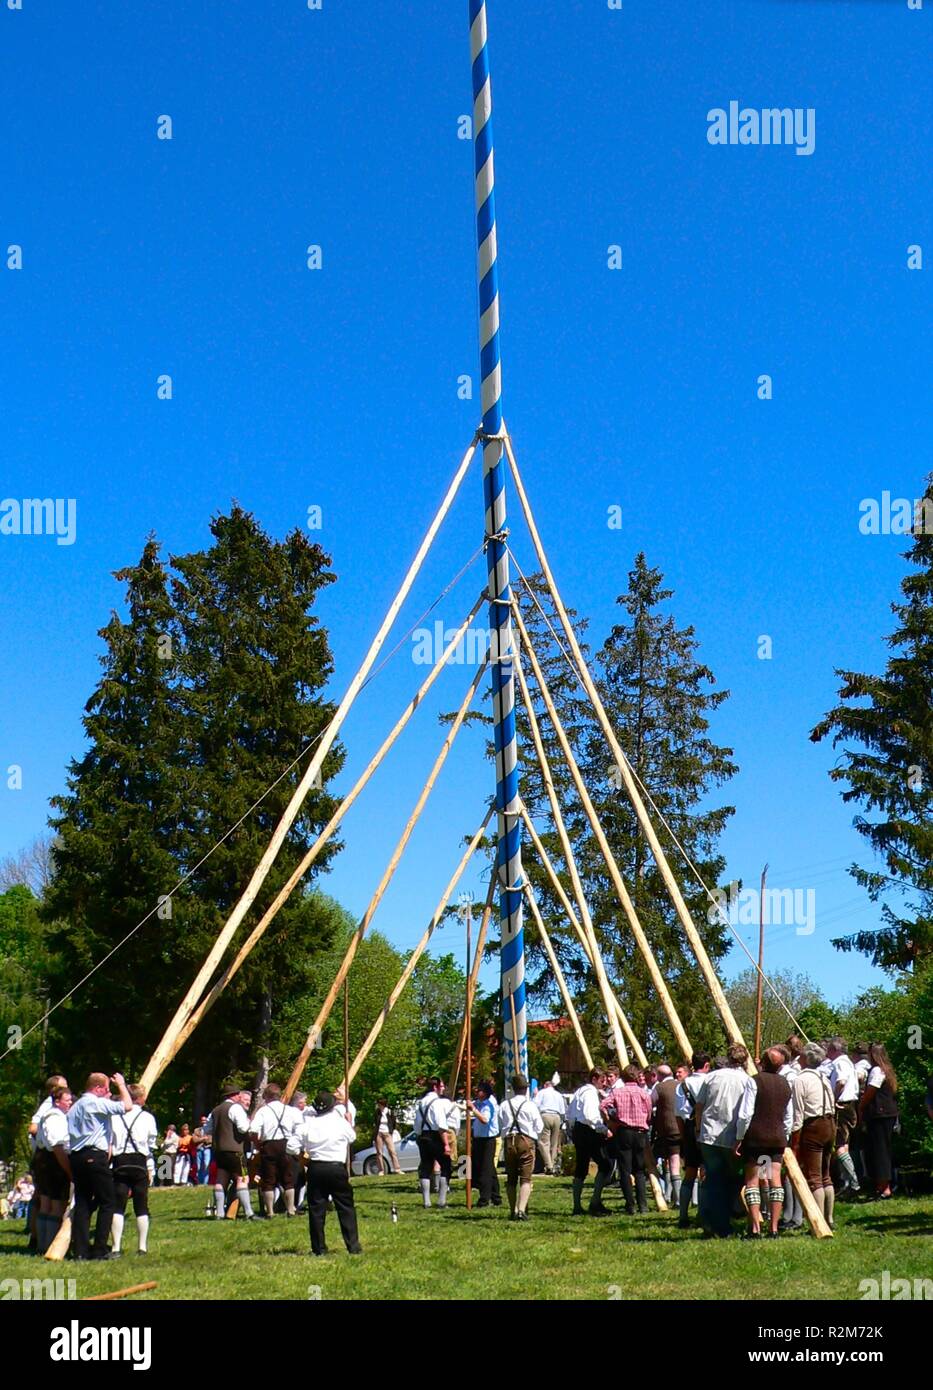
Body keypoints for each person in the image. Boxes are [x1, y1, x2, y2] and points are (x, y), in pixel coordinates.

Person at [67, 1070, 133, 1260]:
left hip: (77, 1157)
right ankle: (99, 1249)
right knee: (108, 1201)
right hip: (94, 1156)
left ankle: (80, 1251)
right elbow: (128, 1106)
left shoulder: (75, 1107)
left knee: (83, 1203)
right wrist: (121, 1084)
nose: (108, 1092)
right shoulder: (95, 1103)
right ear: (97, 1088)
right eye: (106, 1088)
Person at [694, 1043, 752, 1239]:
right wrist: (741, 1137)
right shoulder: (747, 1081)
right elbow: (746, 1114)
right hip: (731, 1136)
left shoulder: (712, 1077)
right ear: (745, 1060)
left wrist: (698, 1127)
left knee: (714, 1179)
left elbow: (699, 1105)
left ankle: (712, 1221)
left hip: (709, 1134)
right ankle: (725, 1222)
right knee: (733, 1179)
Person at [298, 1091, 362, 1257]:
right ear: (333, 1106)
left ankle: (318, 1248)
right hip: (336, 1167)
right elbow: (352, 1137)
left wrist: (305, 1150)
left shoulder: (307, 1125)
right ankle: (353, 1246)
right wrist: (349, 1122)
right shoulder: (340, 1123)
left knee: (316, 1209)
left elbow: (291, 1146)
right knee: (345, 1207)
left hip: (316, 1167)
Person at [737, 1049, 792, 1238]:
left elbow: (745, 1114)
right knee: (772, 1178)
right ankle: (774, 1227)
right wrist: (785, 1135)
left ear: (763, 1063)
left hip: (756, 1138)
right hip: (776, 1138)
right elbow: (789, 1116)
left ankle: (755, 1228)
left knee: (752, 1181)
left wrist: (739, 1138)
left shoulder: (755, 1081)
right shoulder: (786, 1083)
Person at [790, 1043, 837, 1228]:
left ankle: (818, 1222)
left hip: (814, 1126)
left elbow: (798, 1113)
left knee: (814, 1176)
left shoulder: (801, 1080)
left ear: (805, 1058)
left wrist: (795, 1140)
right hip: (830, 1123)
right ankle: (830, 1217)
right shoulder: (823, 1077)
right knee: (826, 1175)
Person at [110, 1083, 158, 1257]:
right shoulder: (147, 1118)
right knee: (141, 1205)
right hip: (139, 1162)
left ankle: (116, 1248)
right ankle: (142, 1247)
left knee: (118, 1206)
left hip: (120, 1161)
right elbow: (152, 1143)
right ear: (140, 1098)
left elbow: (111, 1140)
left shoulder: (115, 1117)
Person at [607, 1064, 654, 1215]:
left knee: (625, 1170)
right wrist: (644, 1121)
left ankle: (630, 1204)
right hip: (640, 1132)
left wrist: (610, 1121)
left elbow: (603, 1105)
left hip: (624, 1131)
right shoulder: (643, 1093)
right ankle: (643, 1205)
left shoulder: (618, 1092)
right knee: (640, 1169)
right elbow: (649, 1111)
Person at [497, 1075, 544, 1221]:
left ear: (513, 1089)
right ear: (526, 1089)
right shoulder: (530, 1105)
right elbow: (539, 1126)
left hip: (509, 1140)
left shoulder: (504, 1104)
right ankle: (521, 1210)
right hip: (526, 1140)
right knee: (525, 1178)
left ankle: (513, 1210)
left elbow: (500, 1124)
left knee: (511, 1178)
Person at [207, 1082, 255, 1221]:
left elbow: (207, 1130)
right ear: (233, 1095)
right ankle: (249, 1212)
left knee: (221, 1180)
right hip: (235, 1150)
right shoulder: (235, 1108)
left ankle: (220, 1213)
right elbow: (243, 1128)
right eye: (238, 1094)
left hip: (219, 1151)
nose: (240, 1097)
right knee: (243, 1178)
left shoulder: (215, 1110)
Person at [250, 1083, 299, 1218]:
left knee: (268, 1180)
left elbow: (253, 1130)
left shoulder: (263, 1111)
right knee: (288, 1179)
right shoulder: (290, 1110)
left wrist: (257, 1143)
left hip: (269, 1145)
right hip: (286, 1144)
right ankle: (290, 1210)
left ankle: (270, 1211)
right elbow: (300, 1127)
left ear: (267, 1096)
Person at [34, 1086, 73, 1254]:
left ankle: (41, 1244)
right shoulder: (55, 1117)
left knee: (45, 1203)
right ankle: (49, 1245)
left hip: (42, 1158)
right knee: (55, 1204)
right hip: (53, 1161)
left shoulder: (48, 1115)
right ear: (57, 1101)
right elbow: (57, 1147)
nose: (70, 1102)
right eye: (67, 1100)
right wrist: (69, 1170)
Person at [567, 1069, 612, 1216]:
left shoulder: (580, 1091)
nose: (604, 1083)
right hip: (588, 1130)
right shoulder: (590, 1093)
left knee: (581, 1167)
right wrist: (603, 1129)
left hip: (579, 1129)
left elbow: (571, 1113)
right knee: (605, 1165)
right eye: (601, 1080)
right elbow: (589, 1115)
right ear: (594, 1079)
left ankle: (577, 1205)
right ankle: (595, 1201)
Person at [858, 1043, 899, 1198]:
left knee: (879, 1151)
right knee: (884, 1150)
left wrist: (862, 1106)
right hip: (888, 1114)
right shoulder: (887, 1070)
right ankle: (883, 1185)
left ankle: (884, 1187)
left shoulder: (876, 1070)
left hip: (879, 1115)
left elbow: (871, 1091)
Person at [675, 1052, 711, 1228]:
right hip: (707, 1127)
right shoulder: (710, 1081)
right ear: (706, 1065)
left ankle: (683, 1216)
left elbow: (678, 1114)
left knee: (689, 1172)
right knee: (705, 1172)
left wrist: (684, 1136)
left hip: (689, 1127)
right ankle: (703, 1214)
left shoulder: (682, 1085)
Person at [822, 1037, 861, 1199]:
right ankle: (847, 1183)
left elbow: (841, 1082)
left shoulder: (840, 1062)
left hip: (842, 1105)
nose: (828, 1053)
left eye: (830, 1050)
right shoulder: (847, 1062)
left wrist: (833, 1099)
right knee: (844, 1144)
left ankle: (854, 1182)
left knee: (840, 1145)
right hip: (850, 1104)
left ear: (836, 1050)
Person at [413, 1078, 452, 1210]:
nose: (442, 1089)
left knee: (425, 1168)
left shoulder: (420, 1103)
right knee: (446, 1166)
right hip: (435, 1137)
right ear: (435, 1087)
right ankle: (441, 1201)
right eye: (441, 1086)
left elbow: (417, 1126)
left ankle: (426, 1202)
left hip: (423, 1136)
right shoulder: (438, 1103)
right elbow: (441, 1126)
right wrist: (446, 1144)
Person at [467, 1080, 501, 1207]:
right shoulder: (479, 1103)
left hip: (488, 1140)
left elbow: (484, 1119)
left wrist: (473, 1109)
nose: (477, 1091)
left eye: (480, 1090)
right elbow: (470, 1106)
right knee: (489, 1169)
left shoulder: (488, 1105)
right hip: (478, 1139)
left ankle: (484, 1198)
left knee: (485, 1170)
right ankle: (496, 1196)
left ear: (485, 1092)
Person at [652, 1065, 683, 1206]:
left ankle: (672, 1196)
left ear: (659, 1075)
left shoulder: (659, 1088)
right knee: (675, 1164)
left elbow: (649, 1103)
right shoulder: (681, 1085)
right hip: (681, 1129)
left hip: (666, 1130)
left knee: (663, 1163)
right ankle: (674, 1197)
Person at [533, 1077, 566, 1175]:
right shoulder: (558, 1094)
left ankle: (549, 1165)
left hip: (545, 1115)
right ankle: (554, 1164)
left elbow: (535, 1105)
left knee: (544, 1142)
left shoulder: (542, 1093)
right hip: (556, 1116)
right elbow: (563, 1110)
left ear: (545, 1085)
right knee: (554, 1143)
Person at [373, 1099, 402, 1176]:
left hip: (387, 1133)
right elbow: (375, 1122)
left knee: (392, 1151)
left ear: (382, 1105)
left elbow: (393, 1122)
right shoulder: (377, 1112)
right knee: (379, 1152)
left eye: (379, 1104)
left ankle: (397, 1169)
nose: (378, 1106)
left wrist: (391, 1131)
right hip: (379, 1133)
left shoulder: (389, 1112)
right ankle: (381, 1170)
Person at [193, 1116, 211, 1184]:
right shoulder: (196, 1130)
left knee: (206, 1166)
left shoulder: (210, 1130)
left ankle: (205, 1183)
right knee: (199, 1167)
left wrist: (200, 1139)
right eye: (202, 1120)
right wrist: (204, 1138)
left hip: (207, 1149)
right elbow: (194, 1140)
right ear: (200, 1121)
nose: (204, 1122)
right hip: (199, 1149)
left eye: (205, 1120)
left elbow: (210, 1140)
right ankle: (199, 1183)